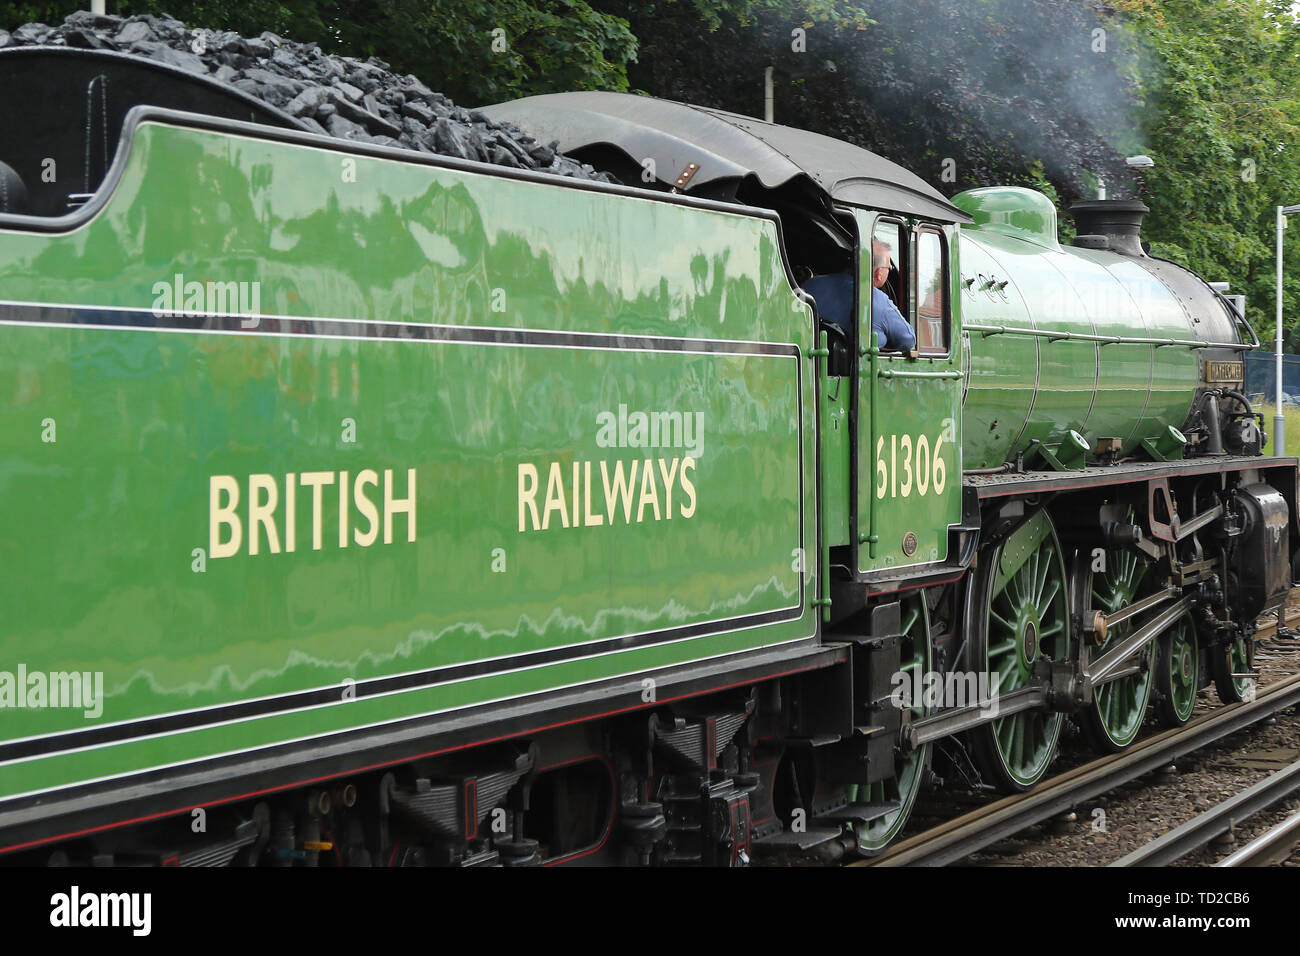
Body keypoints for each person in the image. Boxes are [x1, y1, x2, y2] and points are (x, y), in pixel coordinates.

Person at [801, 240, 916, 352]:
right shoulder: (878, 300)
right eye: (889, 268)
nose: (889, 271)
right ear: (879, 273)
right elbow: (909, 341)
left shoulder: (810, 284)